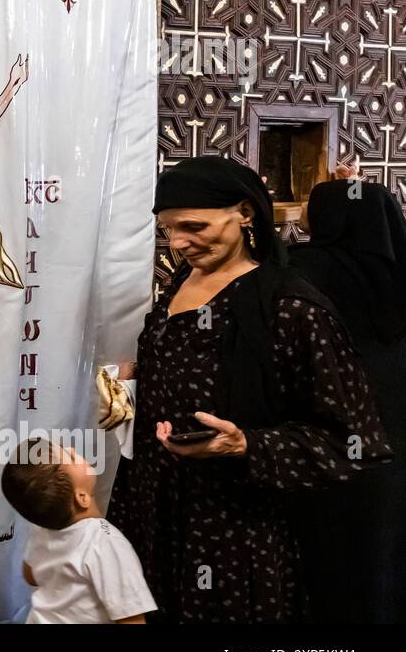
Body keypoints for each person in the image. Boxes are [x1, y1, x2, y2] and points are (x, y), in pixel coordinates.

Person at [105, 156, 392, 623]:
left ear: (244, 212)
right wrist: (140, 381)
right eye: (169, 229)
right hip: (152, 513)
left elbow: (355, 444)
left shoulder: (291, 308)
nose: (178, 243)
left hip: (232, 536)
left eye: (194, 226)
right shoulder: (181, 282)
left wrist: (247, 445)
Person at [289, 178, 406, 622]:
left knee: (333, 561)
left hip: (330, 449)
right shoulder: (398, 272)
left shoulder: (305, 270)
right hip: (395, 452)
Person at [2, 438, 156, 624]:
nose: (73, 449)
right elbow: (132, 618)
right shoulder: (106, 543)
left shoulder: (42, 531)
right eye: (70, 457)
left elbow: (30, 576)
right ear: (82, 497)